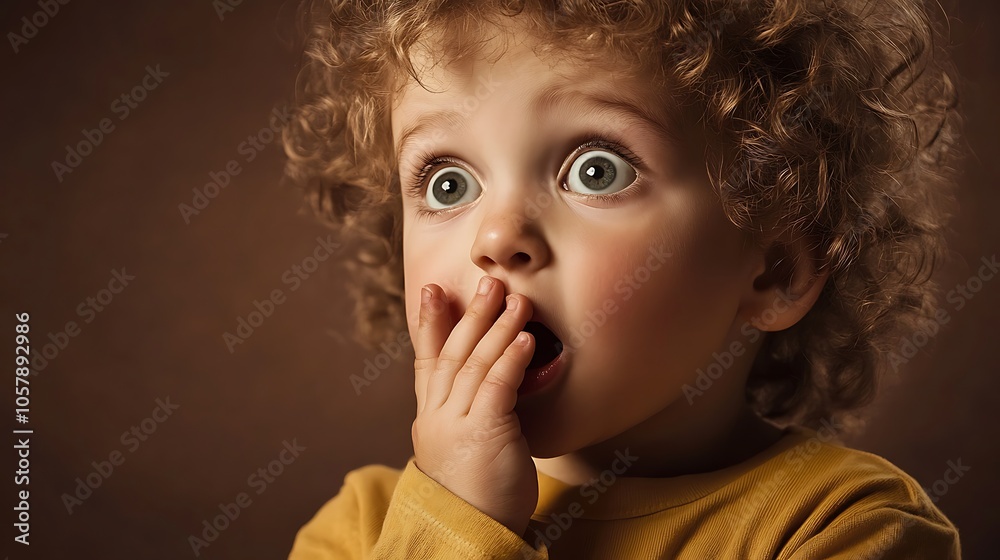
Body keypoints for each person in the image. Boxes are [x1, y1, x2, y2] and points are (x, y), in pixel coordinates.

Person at [282, 0, 963, 557]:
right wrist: (451, 523)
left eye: (595, 170)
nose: (496, 237)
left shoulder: (846, 528)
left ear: (773, 271)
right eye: (449, 182)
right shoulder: (365, 530)